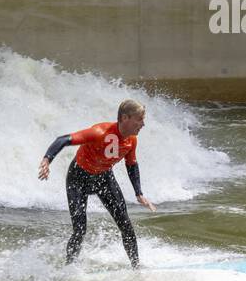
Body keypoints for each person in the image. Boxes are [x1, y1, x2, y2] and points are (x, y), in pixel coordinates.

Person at [37, 99, 157, 268]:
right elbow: (63, 139)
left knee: (126, 226)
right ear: (125, 118)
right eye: (139, 119)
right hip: (78, 179)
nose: (143, 124)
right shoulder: (99, 131)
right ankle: (68, 268)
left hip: (104, 179)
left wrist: (139, 193)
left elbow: (131, 164)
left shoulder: (132, 140)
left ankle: (136, 269)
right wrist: (47, 159)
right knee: (80, 230)